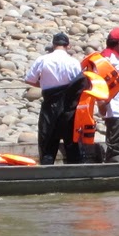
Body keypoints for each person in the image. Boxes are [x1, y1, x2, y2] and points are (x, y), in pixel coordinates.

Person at [23, 31, 85, 164]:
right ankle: (75, 171)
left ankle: (47, 169)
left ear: (53, 45)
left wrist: (43, 83)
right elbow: (80, 83)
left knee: (48, 142)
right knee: (72, 144)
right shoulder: (73, 62)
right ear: (67, 45)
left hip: (50, 105)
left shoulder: (42, 60)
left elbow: (29, 79)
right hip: (69, 107)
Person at [82, 28, 119, 162]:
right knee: (117, 147)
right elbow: (99, 84)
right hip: (116, 110)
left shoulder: (112, 58)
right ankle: (112, 171)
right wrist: (101, 104)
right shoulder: (106, 60)